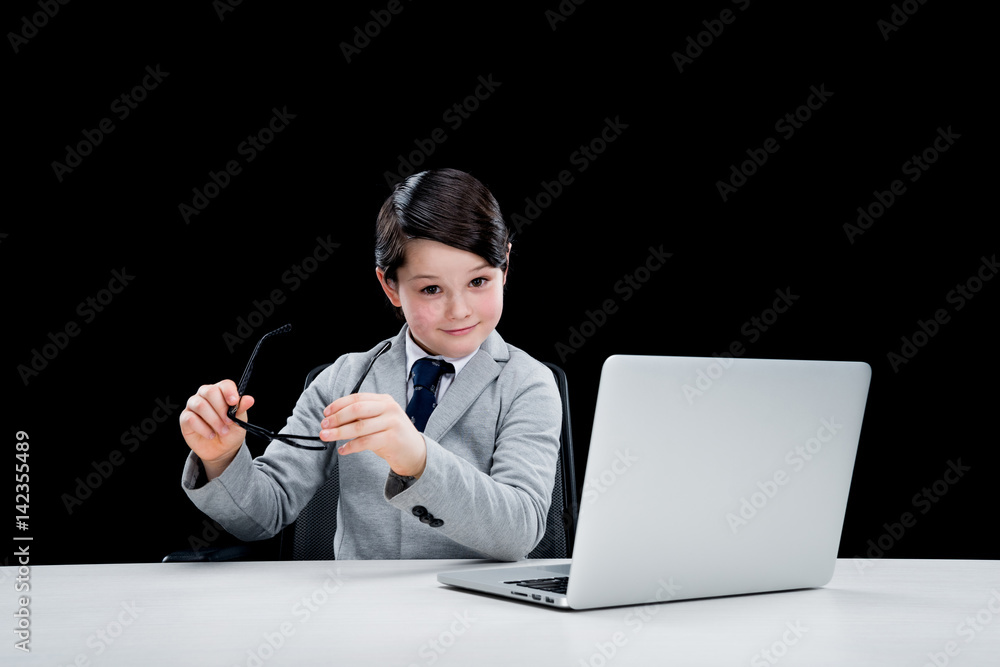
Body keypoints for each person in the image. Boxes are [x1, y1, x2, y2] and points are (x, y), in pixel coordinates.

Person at [178, 168, 561, 560]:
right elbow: (264, 514)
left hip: (478, 613)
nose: (459, 310)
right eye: (431, 289)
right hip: (358, 612)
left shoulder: (527, 383)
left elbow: (520, 531)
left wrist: (418, 458)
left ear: (506, 267)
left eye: (478, 282)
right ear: (390, 286)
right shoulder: (344, 379)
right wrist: (221, 459)